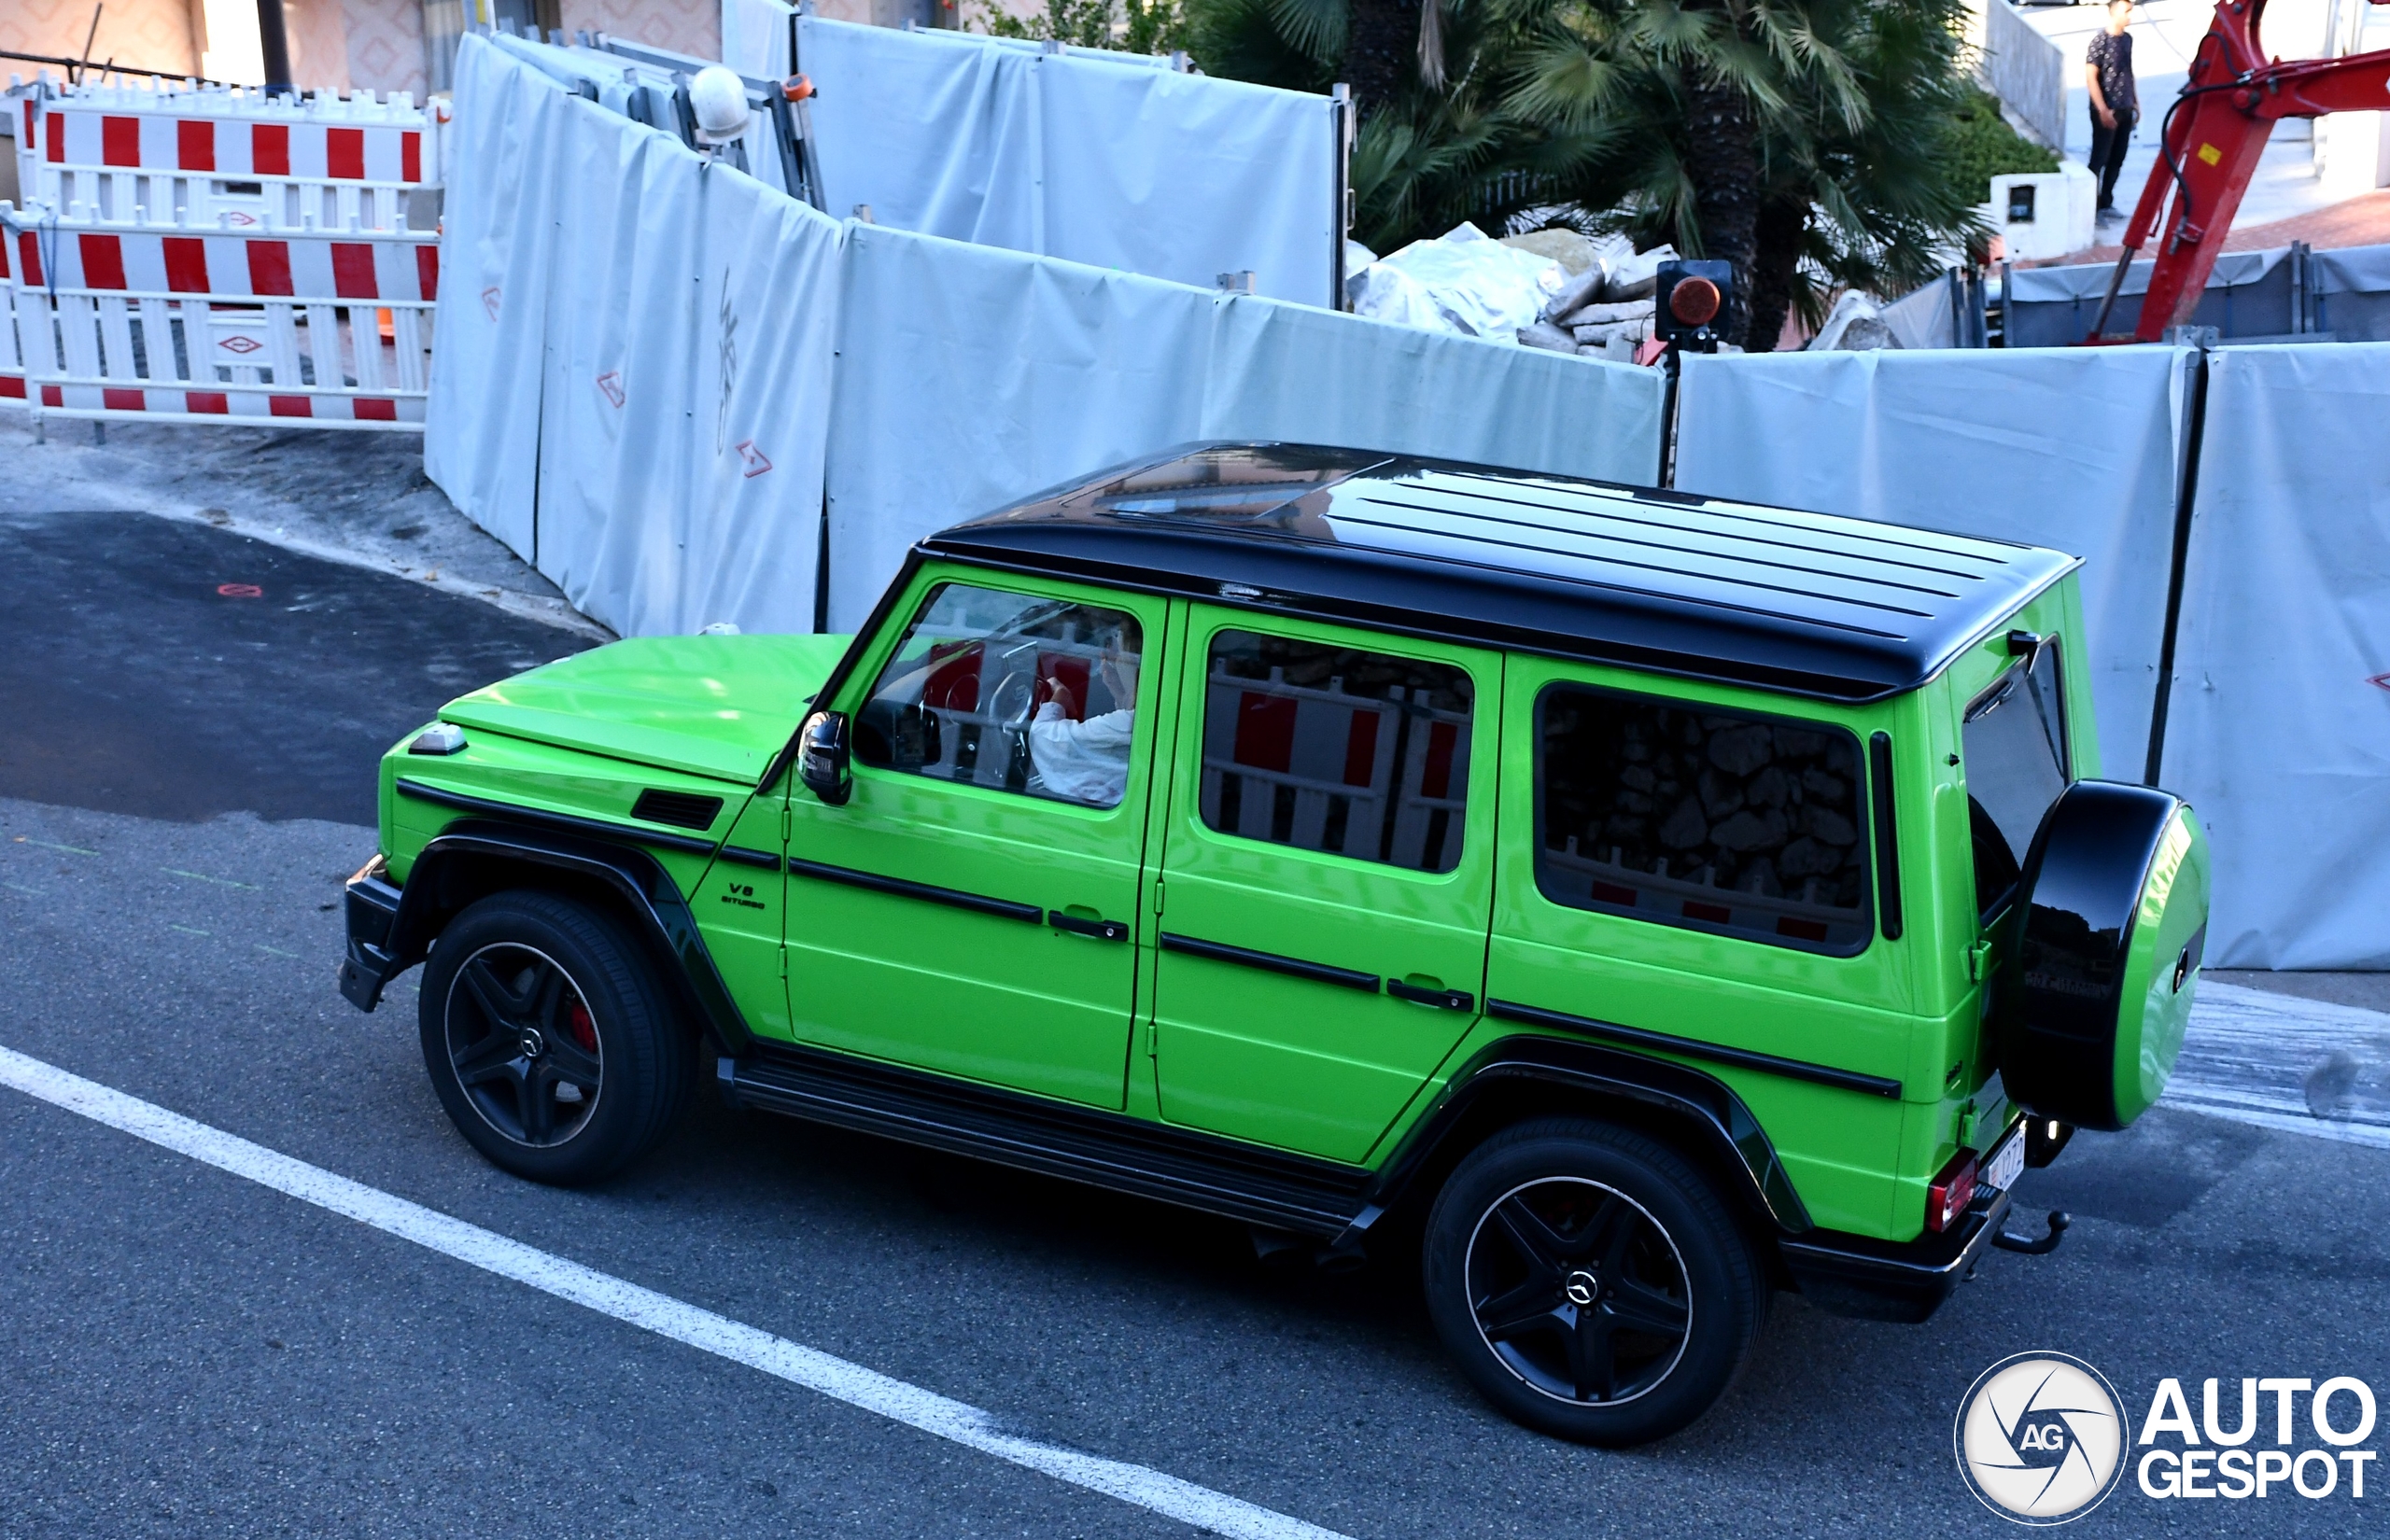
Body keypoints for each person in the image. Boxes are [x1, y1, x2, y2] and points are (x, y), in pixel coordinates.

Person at [1027, 638, 1137, 805]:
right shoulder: (1149, 712)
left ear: (1136, 662)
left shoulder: (1129, 723)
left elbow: (1044, 739)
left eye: (1120, 656)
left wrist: (1059, 696)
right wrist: (1122, 690)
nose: (1114, 660)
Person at [2087, 0, 2138, 222]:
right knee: (2100, 157)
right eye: (2126, 11)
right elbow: (2090, 76)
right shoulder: (2100, 41)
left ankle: (2106, 202)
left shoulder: (2127, 39)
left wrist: (2136, 102)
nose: (2129, 16)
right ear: (2114, 12)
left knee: (2118, 157)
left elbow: (2128, 70)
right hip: (2106, 108)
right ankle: (2090, 206)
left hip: (2125, 106)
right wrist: (2102, 110)